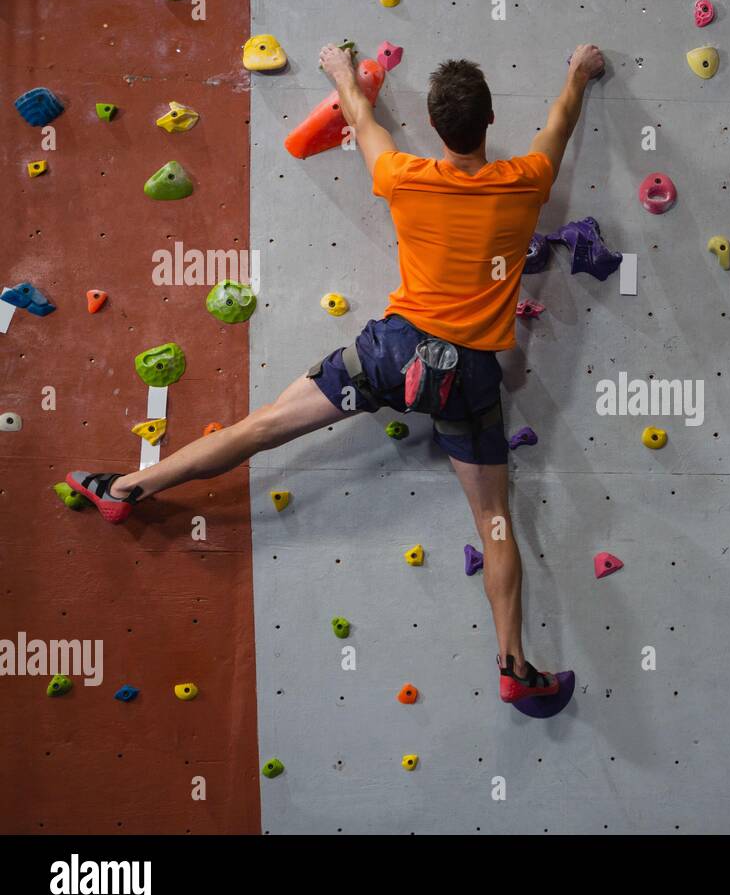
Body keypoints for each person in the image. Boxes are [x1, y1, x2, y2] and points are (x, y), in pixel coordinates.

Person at [66, 42, 608, 705]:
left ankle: (128, 487)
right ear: (489, 121)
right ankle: (512, 665)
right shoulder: (525, 179)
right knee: (494, 520)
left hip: (393, 356)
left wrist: (341, 73)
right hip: (465, 377)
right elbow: (560, 119)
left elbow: (361, 119)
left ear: (436, 129)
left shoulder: (403, 175)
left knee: (262, 427)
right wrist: (578, 70)